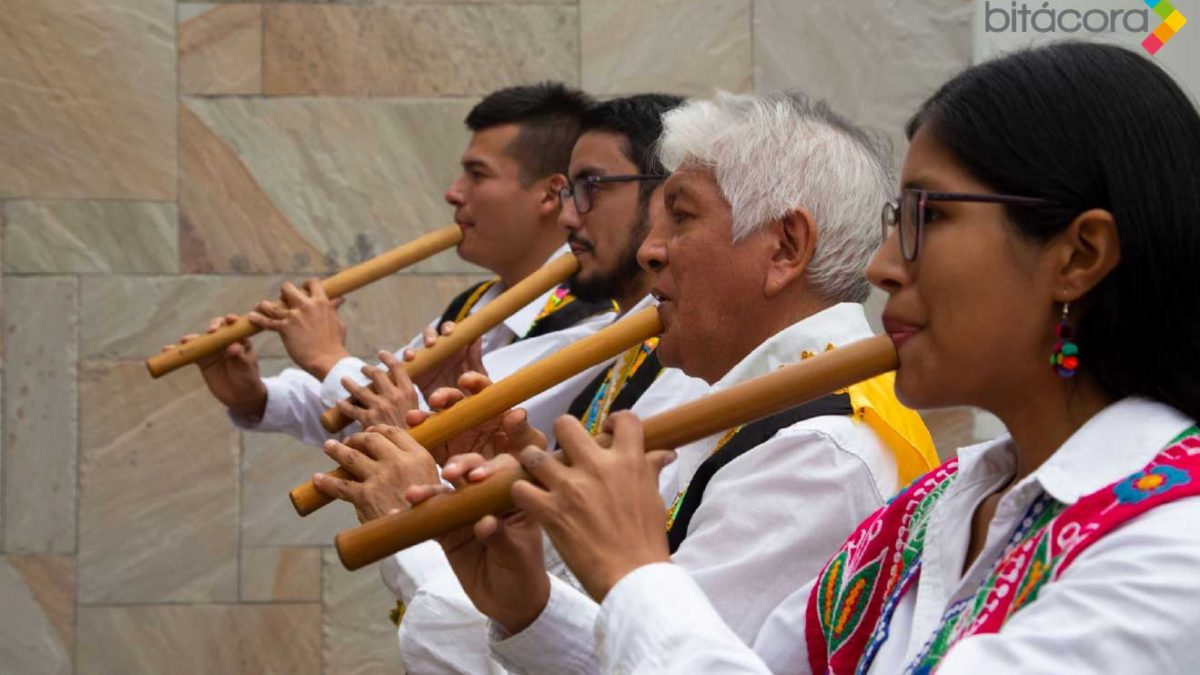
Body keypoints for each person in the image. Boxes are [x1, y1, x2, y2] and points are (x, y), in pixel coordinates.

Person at [455, 42, 1200, 674]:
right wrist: (530, 606)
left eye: (926, 218)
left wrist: (632, 569)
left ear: (1080, 255)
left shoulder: (1173, 552)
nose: (881, 267)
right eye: (891, 222)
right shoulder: (935, 508)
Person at [322, 91, 937, 673]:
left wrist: (420, 535)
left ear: (785, 247)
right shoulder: (750, 400)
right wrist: (538, 507)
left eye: (682, 216)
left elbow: (655, 658)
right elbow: (624, 624)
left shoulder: (820, 451)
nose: (650, 250)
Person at [177, 83, 618, 445]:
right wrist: (255, 395)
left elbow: (427, 428)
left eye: (477, 174)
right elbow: (361, 413)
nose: (453, 192)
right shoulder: (478, 304)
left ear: (548, 193)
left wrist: (327, 355)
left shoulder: (596, 319)